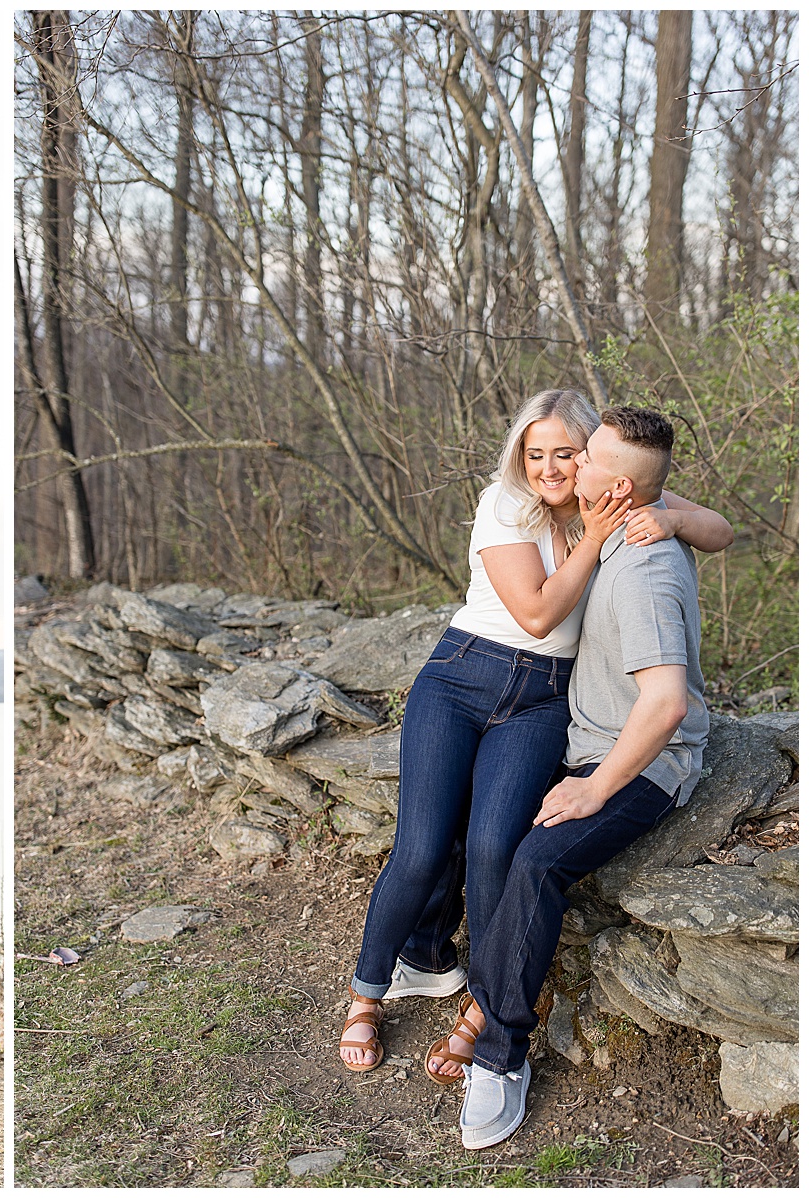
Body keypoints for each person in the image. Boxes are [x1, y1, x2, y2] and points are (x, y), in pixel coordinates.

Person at [336, 392, 732, 1082]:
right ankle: (369, 993)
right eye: (535, 452)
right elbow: (540, 612)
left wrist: (663, 516)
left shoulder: (614, 500)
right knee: (424, 845)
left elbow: (720, 531)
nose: (551, 467)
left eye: (567, 453)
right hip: (465, 675)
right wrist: (601, 534)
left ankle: (484, 1010)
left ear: (592, 459)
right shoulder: (508, 503)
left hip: (544, 700)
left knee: (495, 845)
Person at [454, 406, 712, 1148]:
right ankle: (467, 992)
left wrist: (597, 789)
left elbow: (663, 706)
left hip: (644, 761)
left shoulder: (644, 567)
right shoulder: (624, 525)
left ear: (620, 489)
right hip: (588, 738)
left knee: (536, 860)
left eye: (587, 457)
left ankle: (499, 1058)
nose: (571, 465)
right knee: (491, 832)